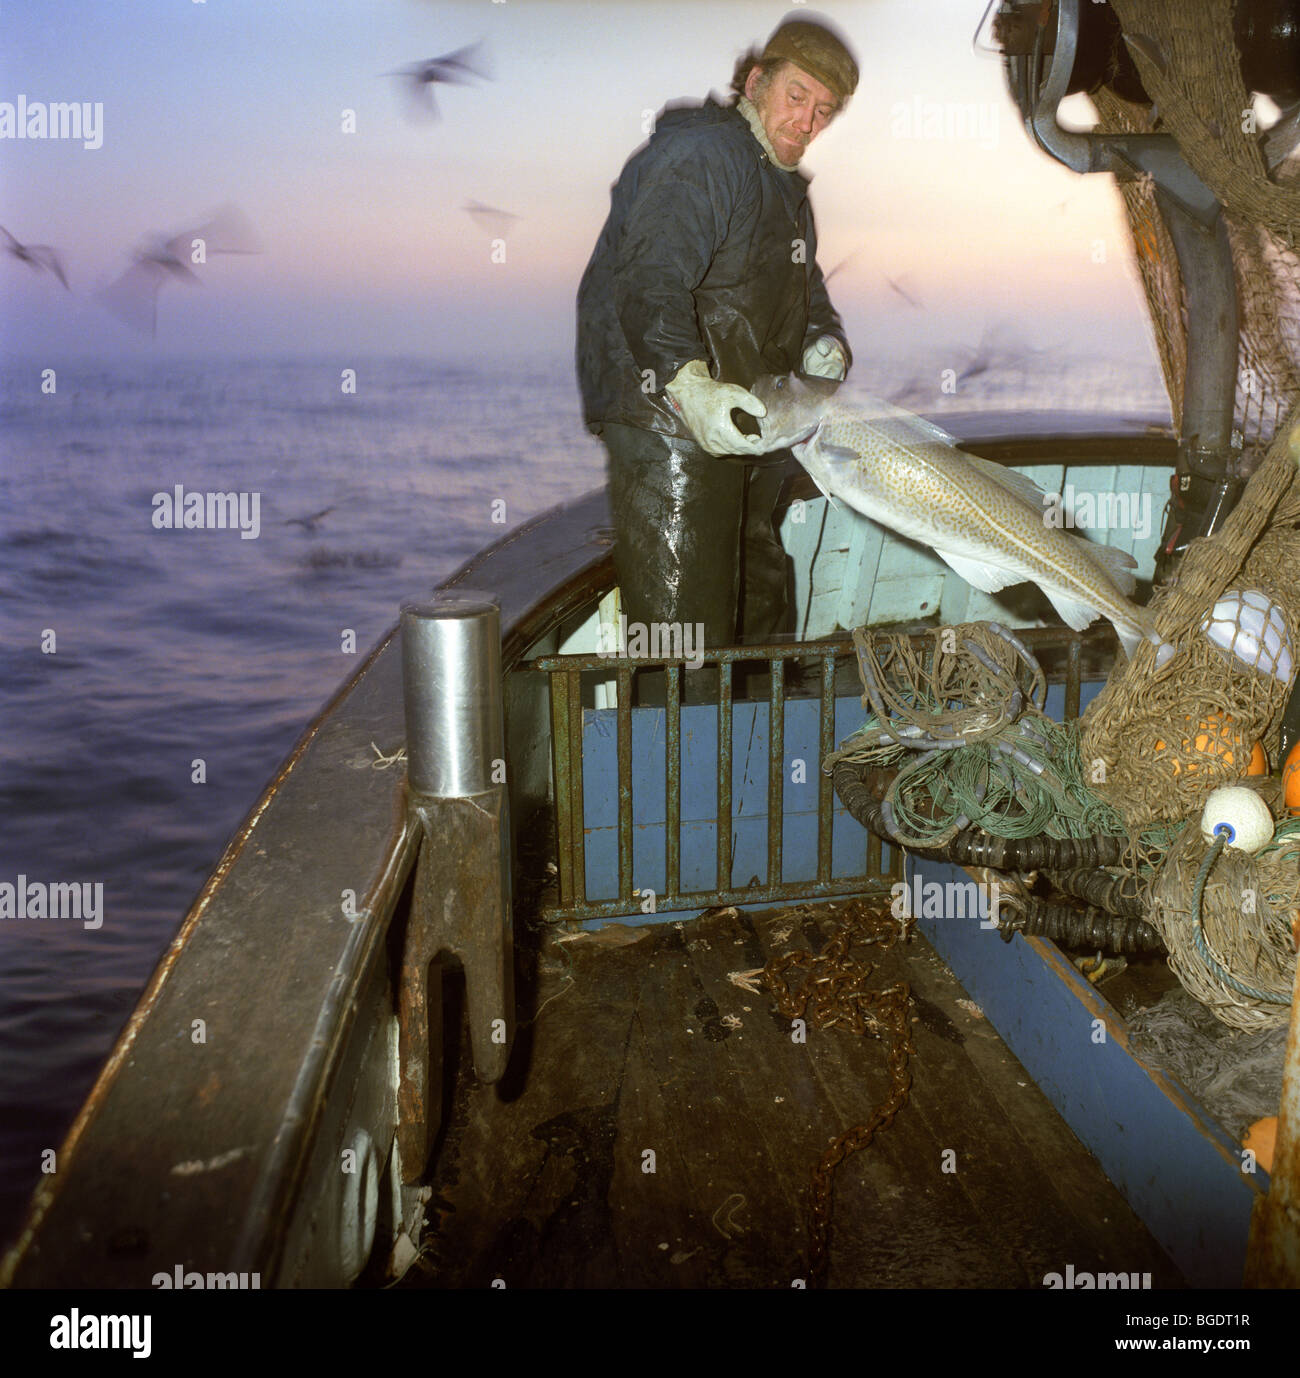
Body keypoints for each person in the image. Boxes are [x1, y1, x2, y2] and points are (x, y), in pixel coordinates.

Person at [575, 15, 857, 687]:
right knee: (682, 643)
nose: (808, 120)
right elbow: (649, 277)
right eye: (797, 96)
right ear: (757, 82)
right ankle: (678, 784)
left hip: (748, 420)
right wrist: (686, 383)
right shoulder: (705, 153)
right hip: (669, 419)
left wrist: (826, 339)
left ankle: (761, 773)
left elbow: (806, 288)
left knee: (759, 605)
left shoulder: (787, 193)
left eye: (824, 111)